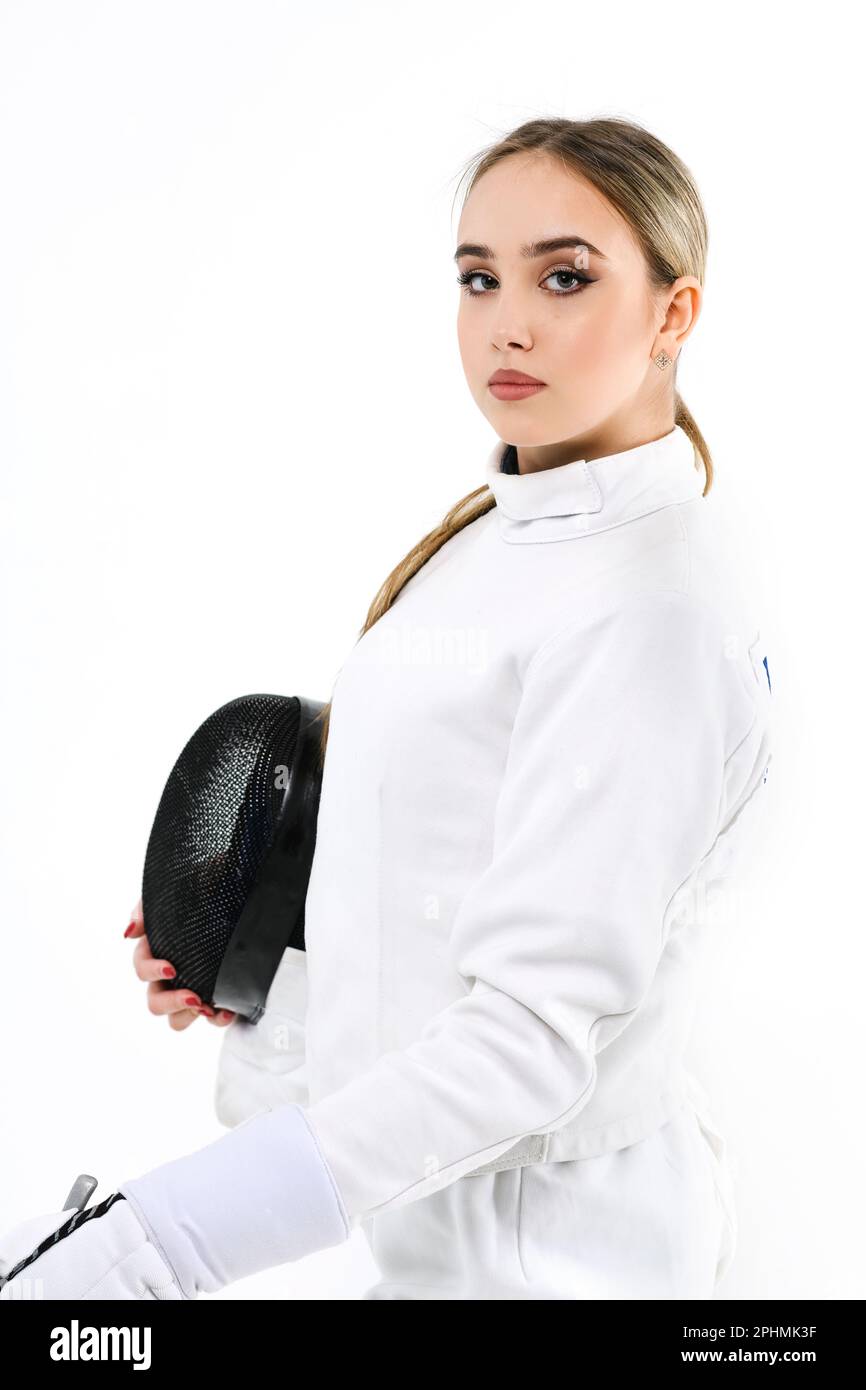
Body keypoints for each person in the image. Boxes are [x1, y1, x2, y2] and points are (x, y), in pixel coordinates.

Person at [0, 115, 773, 1302]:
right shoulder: (500, 533)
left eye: (563, 276)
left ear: (673, 313)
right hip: (438, 1246)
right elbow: (429, 872)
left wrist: (160, 1240)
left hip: (562, 1267)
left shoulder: (644, 609)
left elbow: (524, 1041)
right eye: (478, 278)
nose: (506, 322)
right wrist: (255, 955)